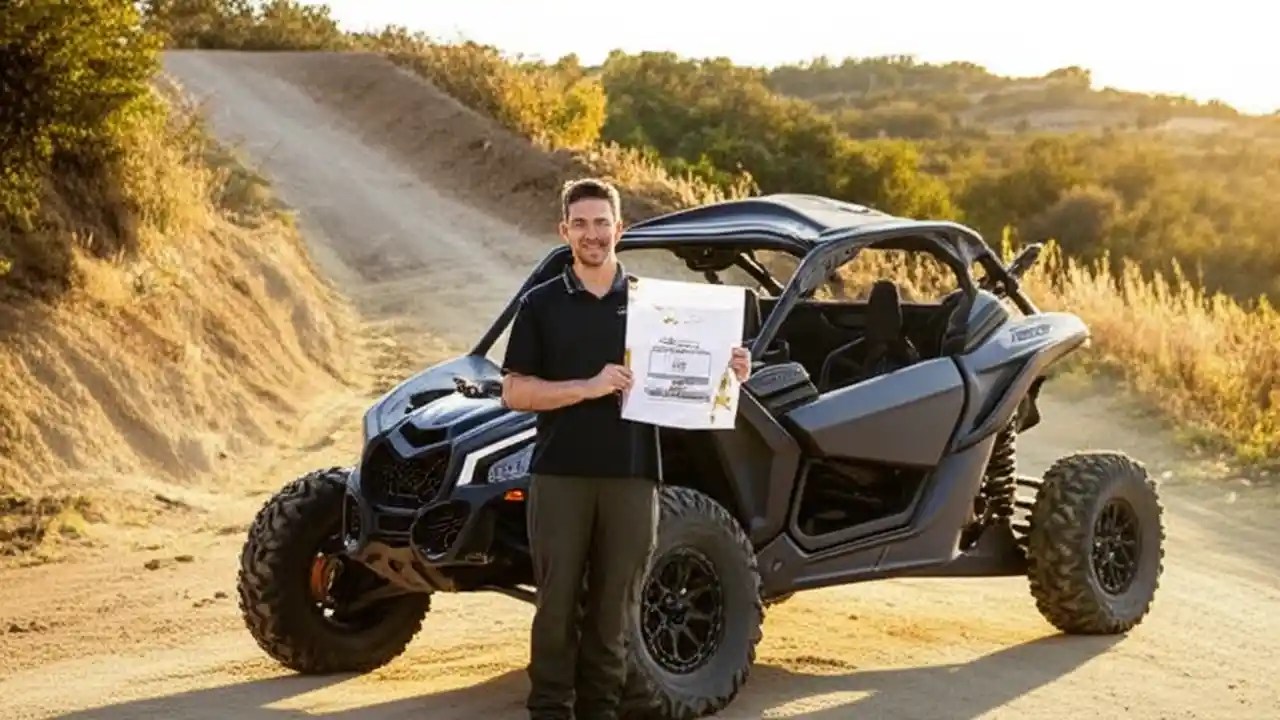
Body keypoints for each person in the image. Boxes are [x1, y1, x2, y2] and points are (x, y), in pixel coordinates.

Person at [500, 178, 751, 720]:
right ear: (564, 230)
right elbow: (514, 391)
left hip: (633, 477)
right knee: (556, 607)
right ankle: (548, 710)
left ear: (621, 228)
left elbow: (694, 384)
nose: (592, 234)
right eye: (581, 223)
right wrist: (585, 388)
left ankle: (601, 711)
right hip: (561, 476)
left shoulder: (654, 307)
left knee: (616, 610)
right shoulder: (541, 305)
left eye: (602, 222)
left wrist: (727, 372)